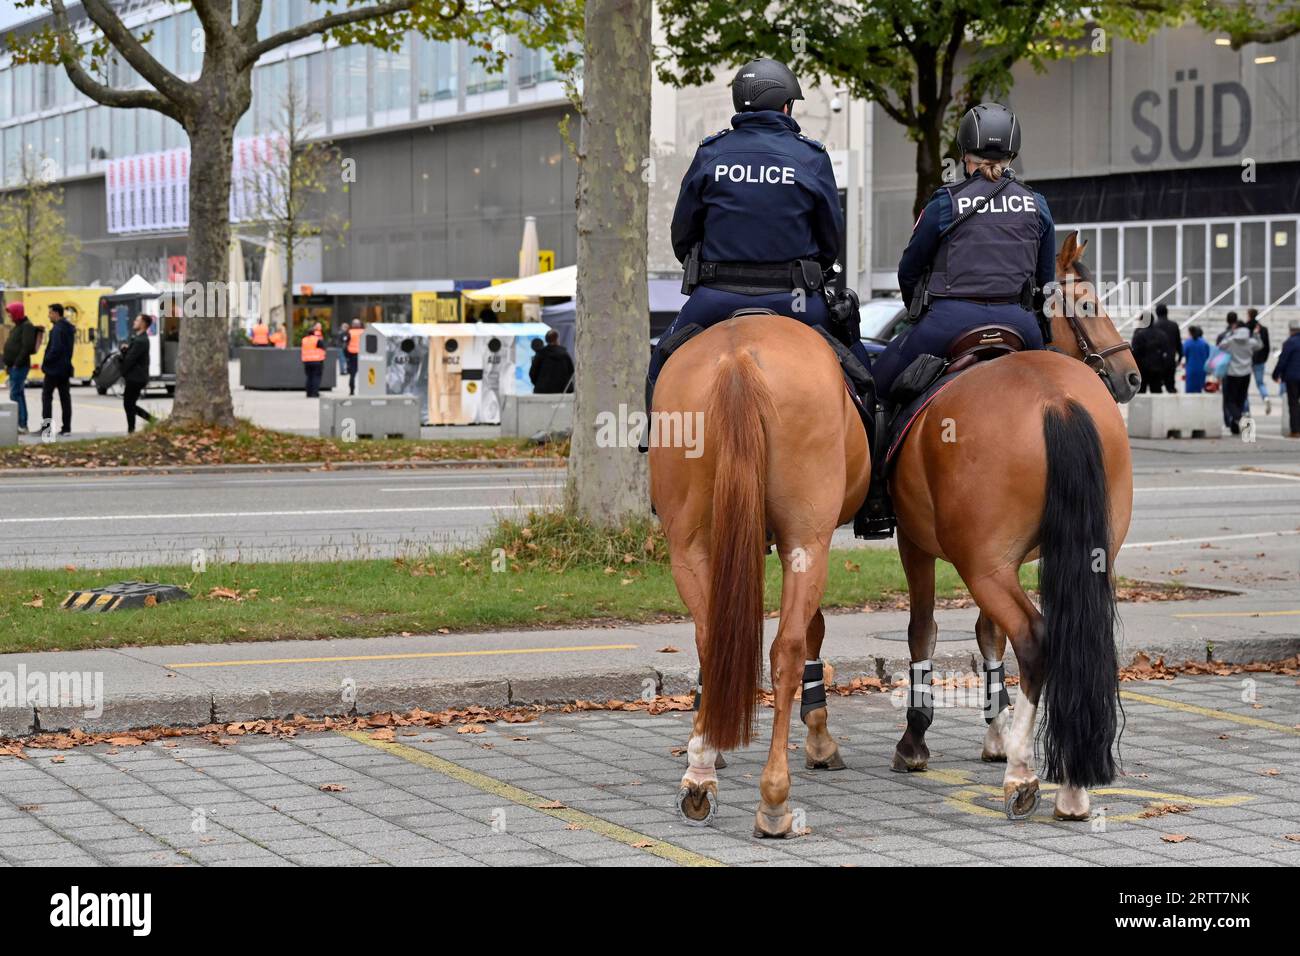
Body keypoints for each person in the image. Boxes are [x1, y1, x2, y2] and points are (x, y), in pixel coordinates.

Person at [647, 58, 859, 402]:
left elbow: (682, 233)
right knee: (856, 363)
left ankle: (655, 440)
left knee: (661, 363)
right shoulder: (811, 157)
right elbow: (830, 239)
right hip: (795, 299)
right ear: (786, 106)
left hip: (716, 297)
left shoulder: (710, 152)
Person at [874, 102, 1056, 400]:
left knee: (877, 385)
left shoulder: (946, 201)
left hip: (949, 321)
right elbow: (1046, 283)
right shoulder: (1036, 204)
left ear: (964, 152)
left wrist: (917, 311)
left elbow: (909, 270)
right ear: (1013, 153)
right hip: (1017, 322)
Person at [2, 302, 39, 434]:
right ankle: (21, 424)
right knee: (18, 393)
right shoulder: (17, 326)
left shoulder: (27, 326)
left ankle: (21, 424)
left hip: (20, 366)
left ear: (17, 313)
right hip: (13, 366)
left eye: (11, 313)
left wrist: (17, 363)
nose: (10, 316)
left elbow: (26, 346)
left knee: (15, 394)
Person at [1219, 323, 1262, 434]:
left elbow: (1221, 346)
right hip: (1246, 373)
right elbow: (1260, 346)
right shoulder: (1251, 342)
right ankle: (1235, 425)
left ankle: (1239, 418)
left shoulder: (1231, 341)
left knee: (1230, 401)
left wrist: (1230, 334)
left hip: (1232, 373)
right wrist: (1257, 335)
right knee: (1241, 399)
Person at [39, 302, 74, 438]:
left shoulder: (58, 329)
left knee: (47, 397)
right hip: (65, 368)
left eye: (50, 313)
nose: (49, 316)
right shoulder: (68, 328)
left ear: (56, 313)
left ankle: (47, 430)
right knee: (65, 398)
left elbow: (56, 349)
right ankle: (67, 428)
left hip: (54, 369)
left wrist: (46, 360)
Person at [119, 314, 156, 434]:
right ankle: (150, 421)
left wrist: (122, 372)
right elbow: (132, 355)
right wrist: (126, 350)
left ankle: (133, 429)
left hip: (136, 378)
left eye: (137, 320)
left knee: (128, 404)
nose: (134, 322)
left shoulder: (141, 340)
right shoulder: (139, 338)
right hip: (137, 377)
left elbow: (130, 359)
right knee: (130, 404)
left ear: (143, 324)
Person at [1133, 314, 1175, 393]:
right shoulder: (1161, 334)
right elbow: (1167, 353)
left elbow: (1135, 352)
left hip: (1141, 370)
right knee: (1157, 392)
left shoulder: (1138, 334)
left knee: (1140, 394)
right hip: (1157, 370)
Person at [1272, 319, 1300, 438]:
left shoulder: (1289, 342)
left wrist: (1275, 374)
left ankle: (1295, 430)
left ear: (1290, 330)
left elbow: (1283, 361)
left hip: (1292, 377)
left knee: (1293, 404)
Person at [530, 330, 575, 394]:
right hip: (562, 392)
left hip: (542, 392)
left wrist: (540, 384)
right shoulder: (565, 355)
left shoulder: (540, 355)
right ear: (557, 340)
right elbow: (571, 372)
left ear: (546, 340)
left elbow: (532, 373)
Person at [1245, 309, 1271, 413]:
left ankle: (1246, 409)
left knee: (1244, 385)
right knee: (1260, 383)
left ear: (1248, 315)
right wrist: (1264, 359)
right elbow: (1267, 346)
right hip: (1260, 360)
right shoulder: (1263, 329)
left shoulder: (1244, 328)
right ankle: (1265, 397)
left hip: (1246, 359)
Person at [1153, 303, 1182, 392]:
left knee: (1157, 388)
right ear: (1167, 312)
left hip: (1157, 362)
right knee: (1171, 387)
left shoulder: (1154, 326)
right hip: (1170, 360)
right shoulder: (1174, 325)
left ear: (1156, 313)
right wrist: (1180, 357)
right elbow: (1178, 343)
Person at [1182, 325, 1210, 394]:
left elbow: (1183, 353)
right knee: (1200, 391)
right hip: (1202, 369)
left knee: (1190, 392)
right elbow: (1208, 356)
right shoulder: (1204, 343)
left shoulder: (1188, 342)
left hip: (1191, 369)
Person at [301, 322, 326, 397]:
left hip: (306, 361)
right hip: (317, 361)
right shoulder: (317, 339)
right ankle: (315, 393)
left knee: (309, 377)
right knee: (316, 377)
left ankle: (308, 393)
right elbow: (323, 347)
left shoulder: (304, 340)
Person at [344, 318, 363, 395]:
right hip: (363, 355)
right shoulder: (364, 332)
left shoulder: (349, 332)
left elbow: (345, 344)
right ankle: (366, 390)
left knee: (352, 375)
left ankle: (352, 391)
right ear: (360, 325)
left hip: (352, 355)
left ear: (352, 325)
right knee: (366, 374)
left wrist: (346, 356)